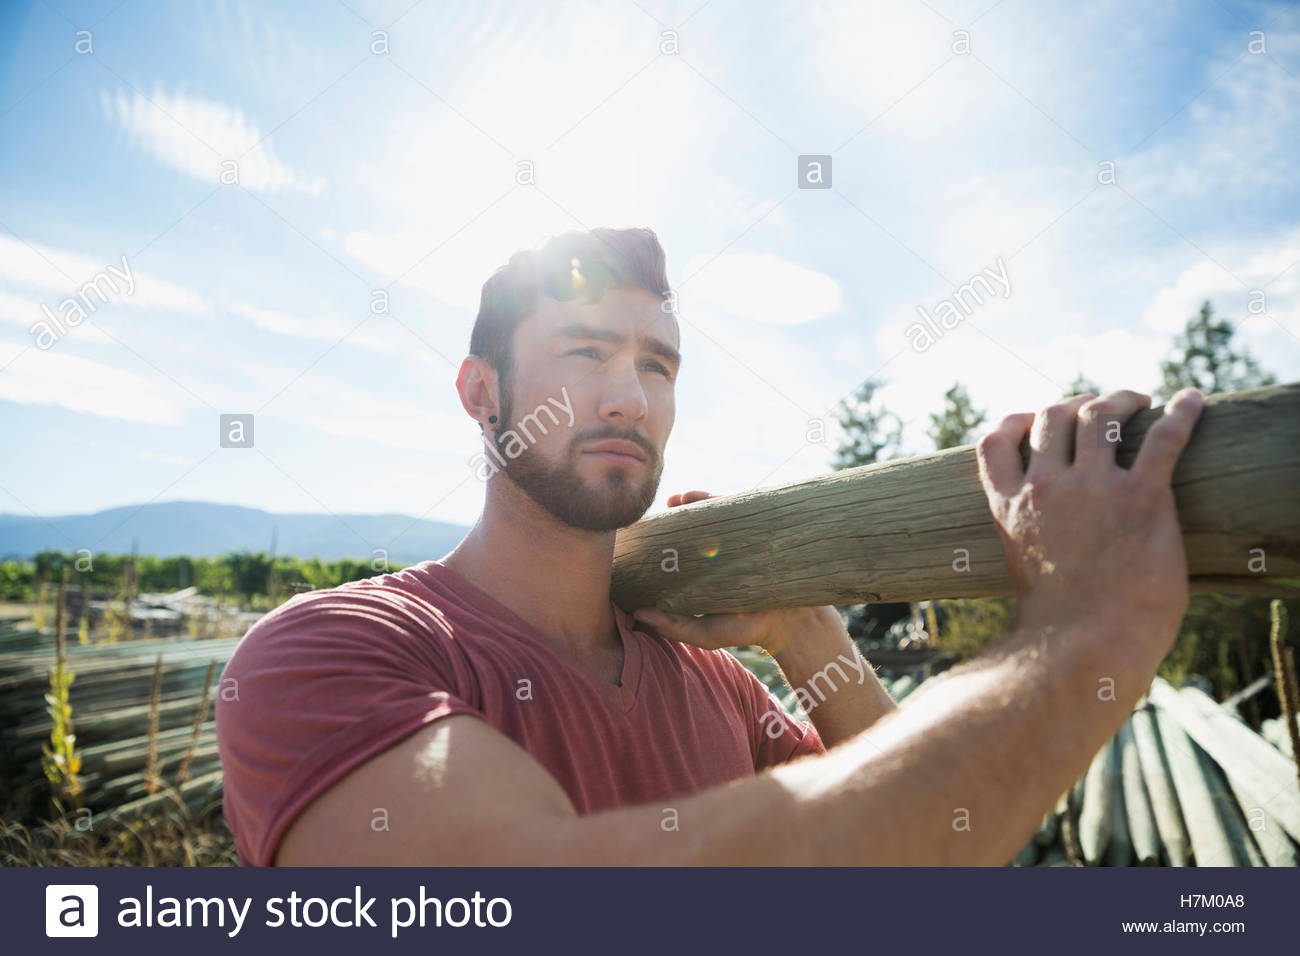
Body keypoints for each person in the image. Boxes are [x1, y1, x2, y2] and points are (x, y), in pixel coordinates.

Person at [214, 226, 1204, 865]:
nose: (628, 397)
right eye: (585, 351)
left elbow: (943, 835)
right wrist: (1087, 624)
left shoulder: (712, 678)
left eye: (657, 364)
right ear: (481, 392)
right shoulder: (330, 653)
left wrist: (805, 634)